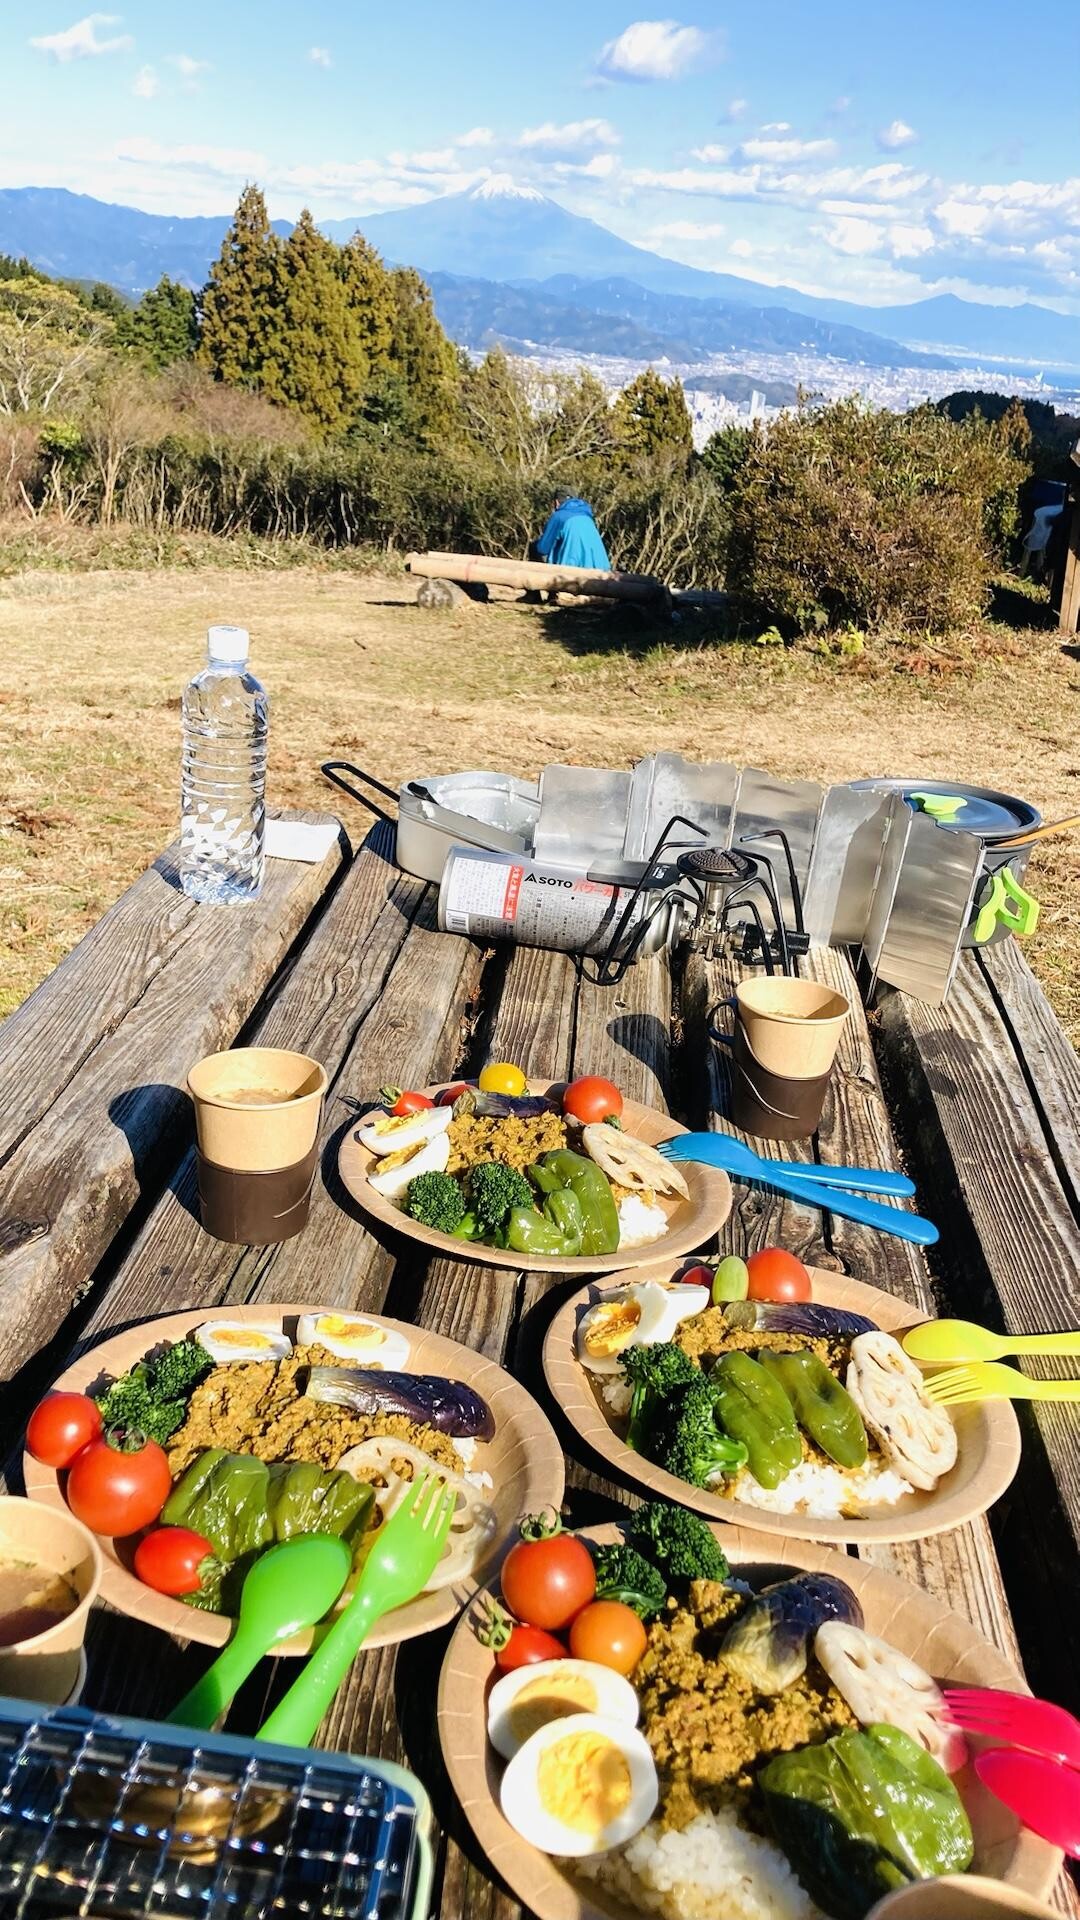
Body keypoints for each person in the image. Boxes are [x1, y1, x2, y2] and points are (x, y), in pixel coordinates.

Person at [532, 492, 611, 570]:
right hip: (602, 567)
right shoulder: (588, 517)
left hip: (572, 569)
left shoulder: (559, 516)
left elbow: (542, 548)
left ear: (556, 502)